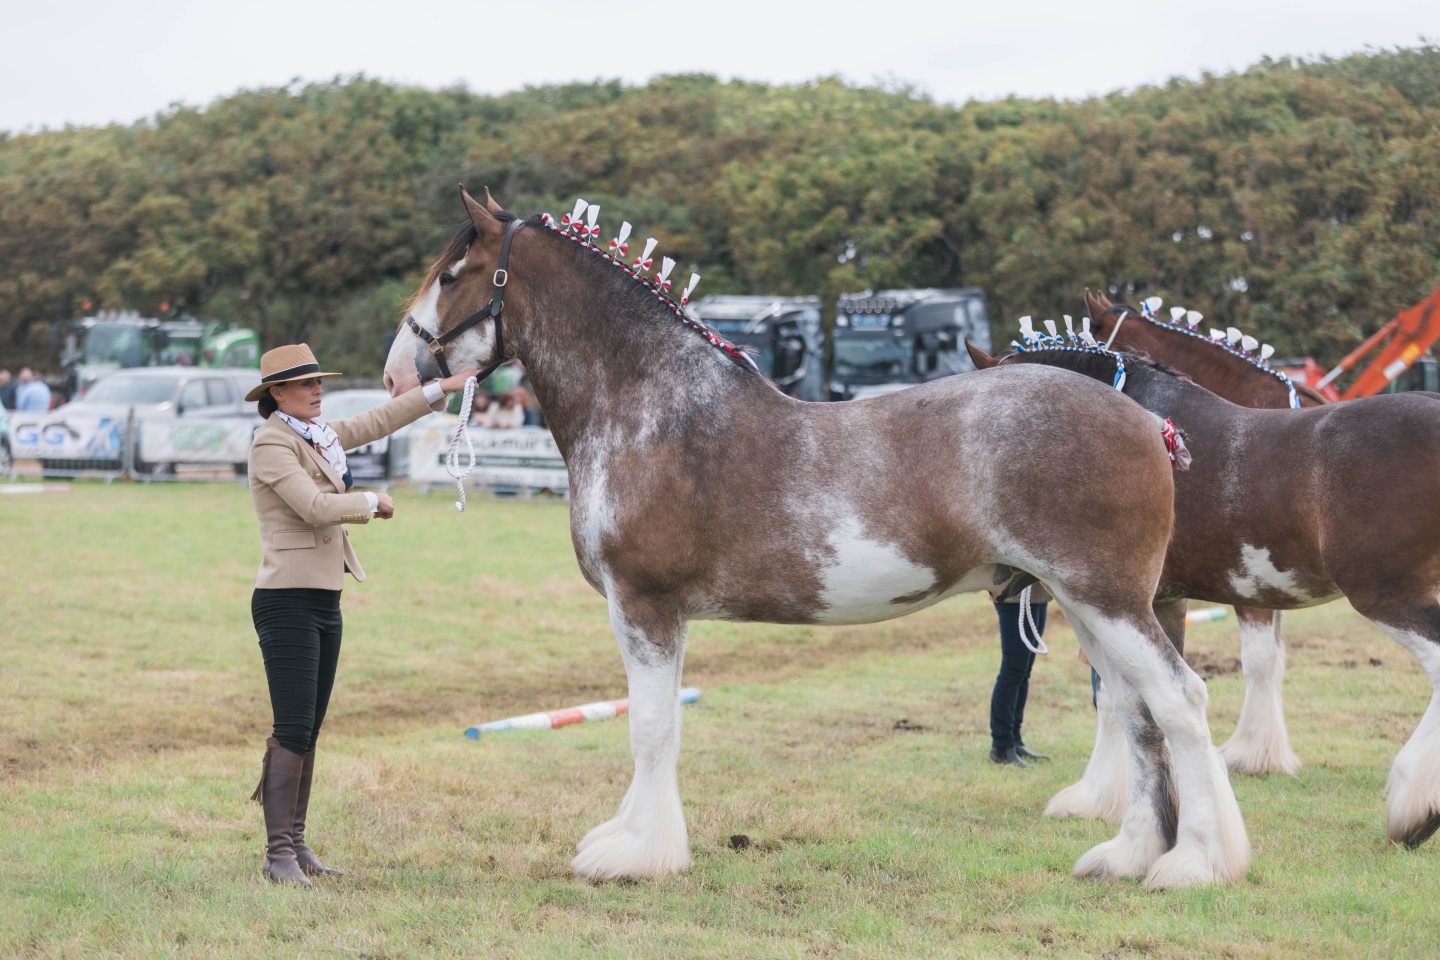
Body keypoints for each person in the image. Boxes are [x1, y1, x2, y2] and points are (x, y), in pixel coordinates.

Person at [244, 343, 477, 887]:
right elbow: (314, 508)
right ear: (277, 394)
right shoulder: (272, 443)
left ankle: (297, 847)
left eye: (318, 381)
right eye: (306, 385)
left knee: (310, 729)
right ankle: (277, 855)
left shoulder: (316, 436)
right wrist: (371, 502)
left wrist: (439, 389)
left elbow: (377, 420)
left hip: (325, 599)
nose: (317, 391)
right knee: (293, 728)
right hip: (287, 600)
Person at [988, 579, 1051, 768]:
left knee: (1024, 671)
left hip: (1038, 592)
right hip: (1014, 594)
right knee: (1013, 670)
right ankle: (1001, 745)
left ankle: (1014, 739)